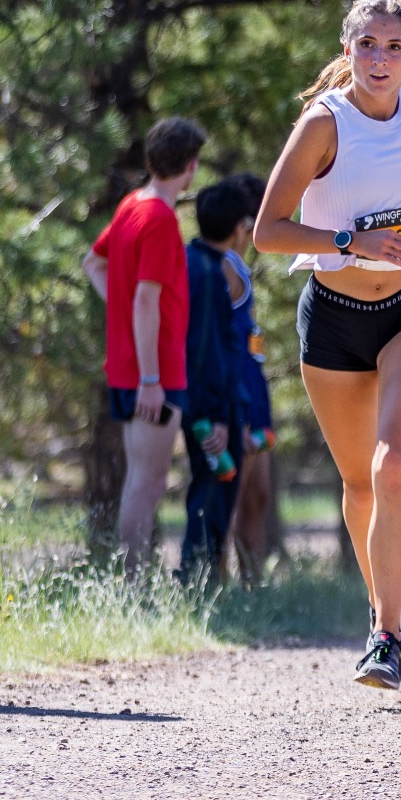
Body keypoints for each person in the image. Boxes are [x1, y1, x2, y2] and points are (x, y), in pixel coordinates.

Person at [254, 0, 401, 691]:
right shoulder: (323, 125)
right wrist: (350, 240)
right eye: (367, 45)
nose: (380, 59)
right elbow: (269, 229)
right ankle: (378, 609)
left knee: (393, 465)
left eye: (394, 47)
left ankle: (388, 632)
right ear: (347, 49)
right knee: (360, 482)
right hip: (331, 314)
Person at [84, 116, 206, 578]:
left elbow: (93, 263)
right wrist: (152, 380)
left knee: (143, 481)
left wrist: (122, 312)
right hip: (152, 374)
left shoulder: (132, 204)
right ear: (190, 166)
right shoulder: (157, 218)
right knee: (147, 483)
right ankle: (133, 587)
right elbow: (145, 298)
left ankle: (132, 583)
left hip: (131, 368)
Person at [179, 180, 253, 583]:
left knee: (207, 492)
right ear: (239, 227)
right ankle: (195, 586)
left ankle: (200, 583)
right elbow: (207, 350)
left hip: (203, 403)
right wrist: (216, 416)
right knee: (212, 496)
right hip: (211, 409)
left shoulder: (191, 259)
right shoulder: (209, 274)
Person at [220, 172, 277, 583]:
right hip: (234, 393)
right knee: (229, 491)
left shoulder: (238, 263)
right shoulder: (218, 266)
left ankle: (254, 585)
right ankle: (215, 583)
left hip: (254, 390)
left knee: (257, 495)